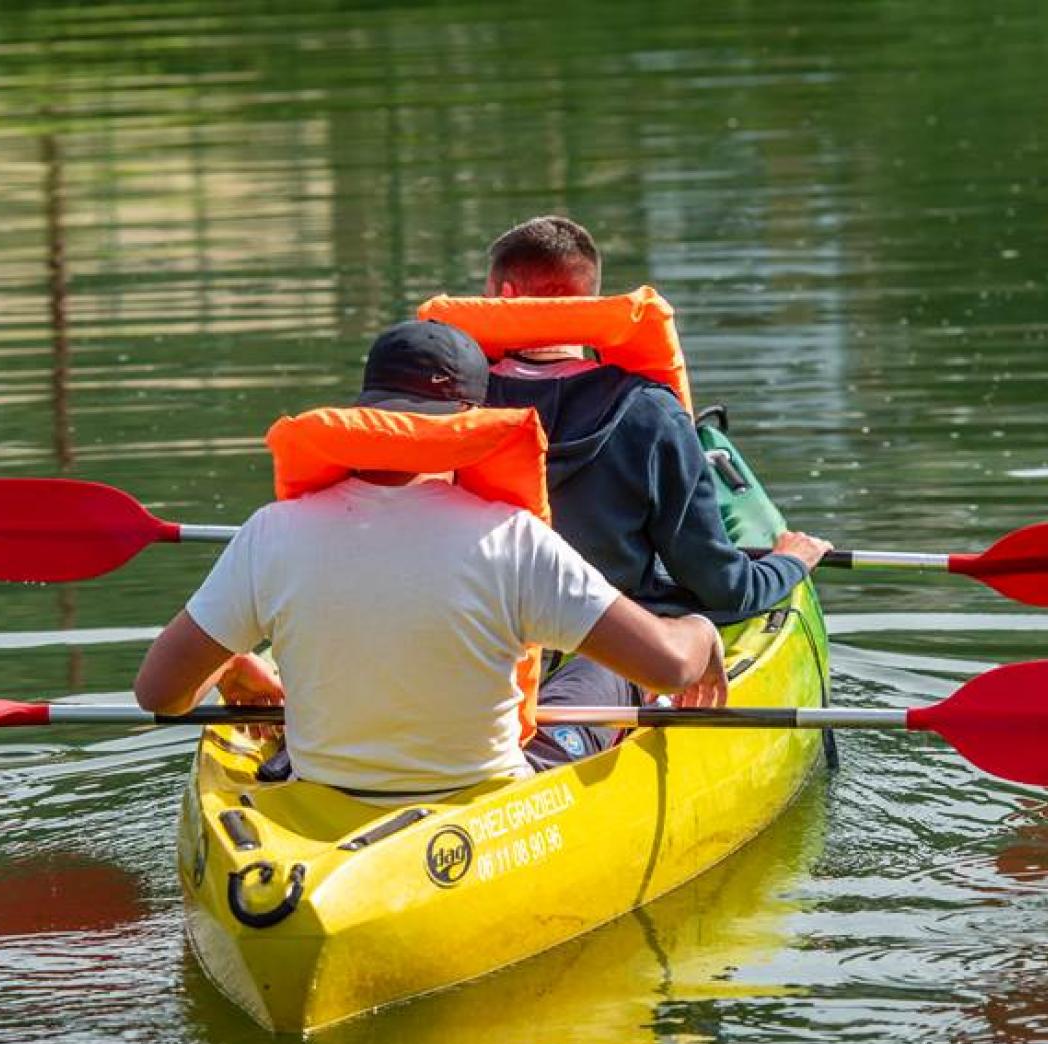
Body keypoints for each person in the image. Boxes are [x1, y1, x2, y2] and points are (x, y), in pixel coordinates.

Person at [135, 320, 727, 801]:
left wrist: (233, 666)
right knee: (611, 670)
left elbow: (159, 693)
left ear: (365, 409)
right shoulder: (512, 538)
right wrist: (700, 632)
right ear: (472, 424)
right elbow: (669, 669)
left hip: (322, 801)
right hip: (486, 807)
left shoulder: (271, 532)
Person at [477, 214, 831, 622]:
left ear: (504, 296)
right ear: (591, 302)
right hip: (614, 636)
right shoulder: (650, 411)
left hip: (484, 627)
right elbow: (724, 587)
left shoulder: (453, 406)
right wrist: (790, 562)